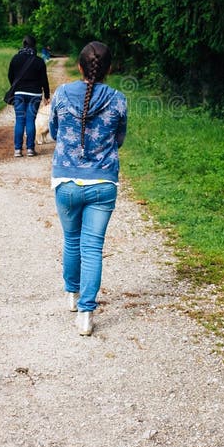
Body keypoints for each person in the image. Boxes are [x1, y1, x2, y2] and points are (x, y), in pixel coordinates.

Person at [49, 41, 127, 336]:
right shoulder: (118, 99)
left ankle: (71, 294)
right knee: (92, 247)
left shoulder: (61, 94)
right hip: (103, 183)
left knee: (71, 240)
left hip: (66, 181)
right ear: (109, 69)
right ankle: (85, 314)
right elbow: (119, 139)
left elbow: (55, 132)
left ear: (80, 67)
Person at [8, 35, 50, 157]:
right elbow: (44, 80)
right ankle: (31, 149)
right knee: (30, 120)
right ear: (34, 45)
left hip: (19, 93)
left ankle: (17, 150)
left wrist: (16, 87)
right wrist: (46, 95)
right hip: (34, 94)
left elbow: (10, 76)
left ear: (23, 44)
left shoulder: (15, 59)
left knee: (20, 120)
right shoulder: (39, 61)